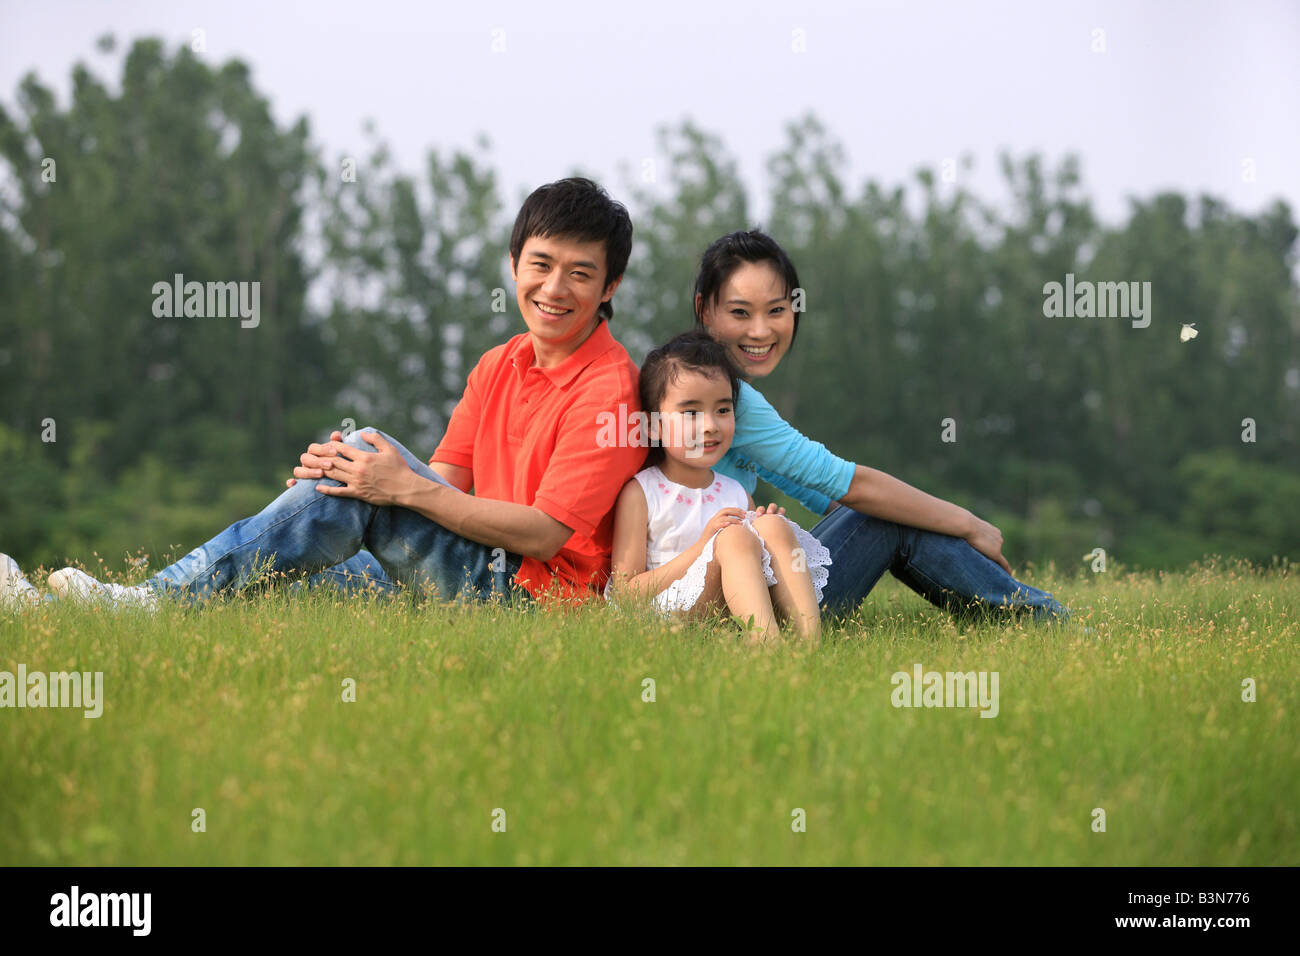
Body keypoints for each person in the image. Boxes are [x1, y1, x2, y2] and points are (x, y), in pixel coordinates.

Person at [0, 178, 647, 611]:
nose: (554, 288)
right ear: (514, 265)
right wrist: (359, 477)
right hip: (481, 565)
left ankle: (134, 604)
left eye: (580, 273)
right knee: (277, 577)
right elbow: (444, 480)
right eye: (540, 265)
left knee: (367, 465)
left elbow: (542, 534)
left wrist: (393, 483)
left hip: (531, 601)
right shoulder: (499, 362)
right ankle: (64, 609)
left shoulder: (609, 388)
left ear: (610, 286)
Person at [691, 229, 1070, 623]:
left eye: (776, 310)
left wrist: (921, 521)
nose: (760, 331)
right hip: (742, 608)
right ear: (705, 310)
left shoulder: (699, 386)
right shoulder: (729, 398)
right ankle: (1043, 618)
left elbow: (823, 492)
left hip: (735, 597)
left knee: (891, 512)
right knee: (884, 514)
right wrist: (969, 524)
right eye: (740, 312)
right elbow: (849, 486)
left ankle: (1019, 612)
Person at [608, 330, 829, 642]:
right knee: (732, 537)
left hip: (726, 610)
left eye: (723, 410)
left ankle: (809, 641)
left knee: (774, 527)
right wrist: (703, 548)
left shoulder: (735, 492)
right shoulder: (642, 492)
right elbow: (626, 593)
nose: (711, 425)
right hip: (667, 616)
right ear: (655, 425)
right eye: (691, 412)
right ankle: (764, 643)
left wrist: (766, 527)